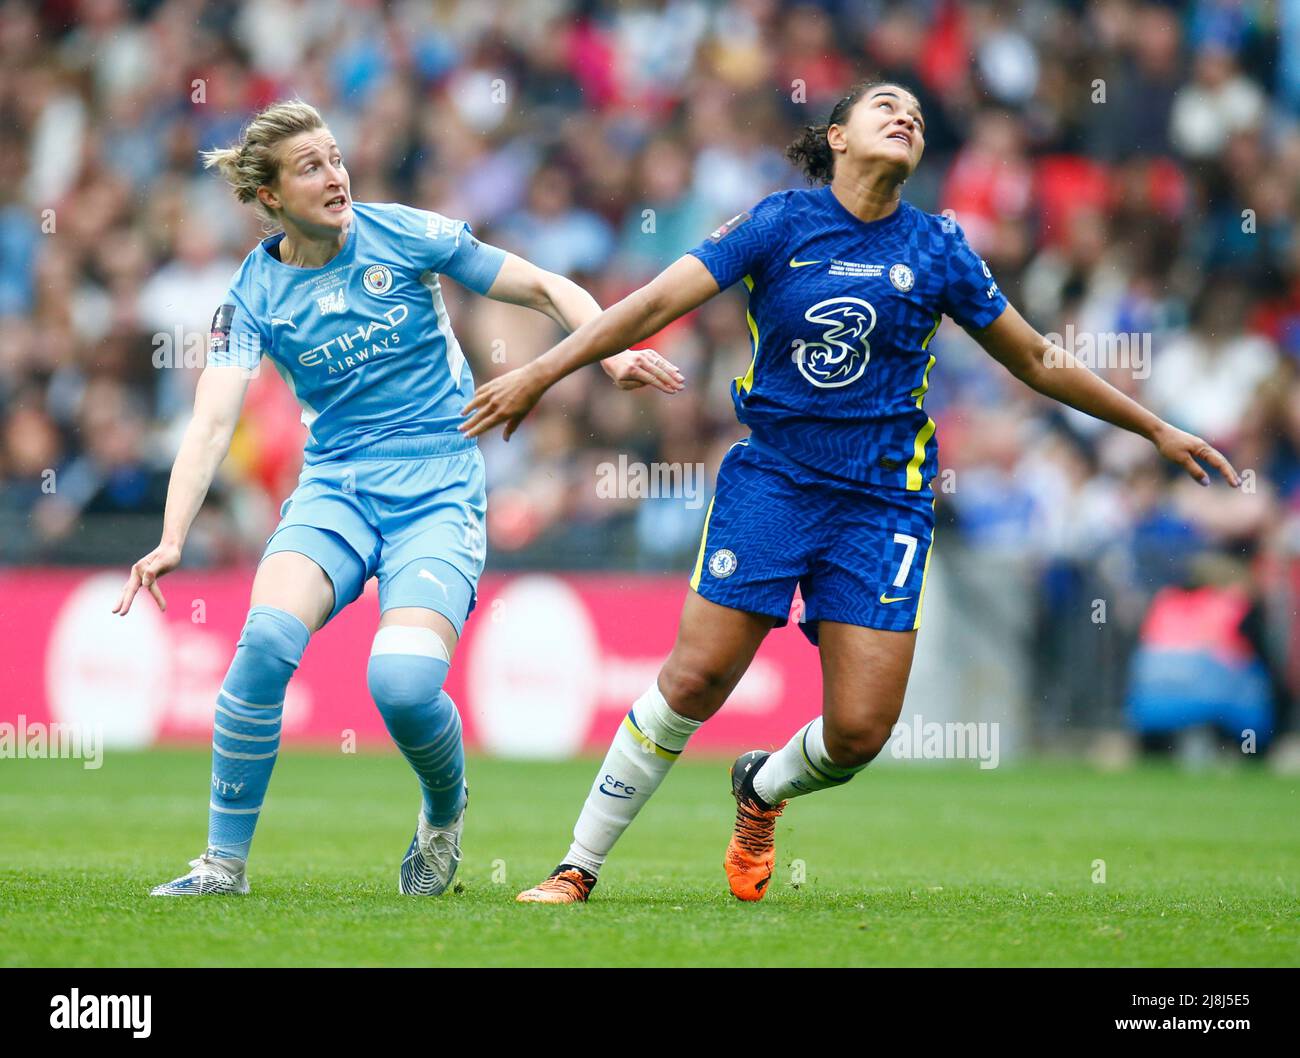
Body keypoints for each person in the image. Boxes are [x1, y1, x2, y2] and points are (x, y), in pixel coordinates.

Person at [460, 81, 1240, 904]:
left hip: (883, 501)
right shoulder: (777, 222)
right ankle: (577, 868)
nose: (906, 117)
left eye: (915, 113)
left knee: (861, 732)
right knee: (692, 681)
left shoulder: (939, 246)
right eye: (884, 107)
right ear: (836, 136)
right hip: (775, 481)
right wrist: (543, 373)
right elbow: (654, 302)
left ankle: (760, 789)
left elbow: (1036, 360)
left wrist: (1153, 428)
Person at [112, 99, 682, 897]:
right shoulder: (250, 296)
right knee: (263, 645)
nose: (336, 174)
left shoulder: (403, 232)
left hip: (439, 486)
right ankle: (222, 865)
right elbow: (211, 422)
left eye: (337, 157)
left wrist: (612, 357)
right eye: (311, 166)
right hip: (336, 487)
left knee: (403, 687)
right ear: (270, 196)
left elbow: (549, 287)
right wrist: (173, 538)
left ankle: (443, 815)